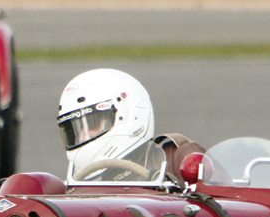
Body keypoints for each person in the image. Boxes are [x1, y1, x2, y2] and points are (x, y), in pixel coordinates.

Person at [56, 68, 204, 184]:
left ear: (129, 114)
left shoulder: (178, 159)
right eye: (75, 130)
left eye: (92, 125)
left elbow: (222, 211)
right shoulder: (75, 184)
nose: (82, 136)